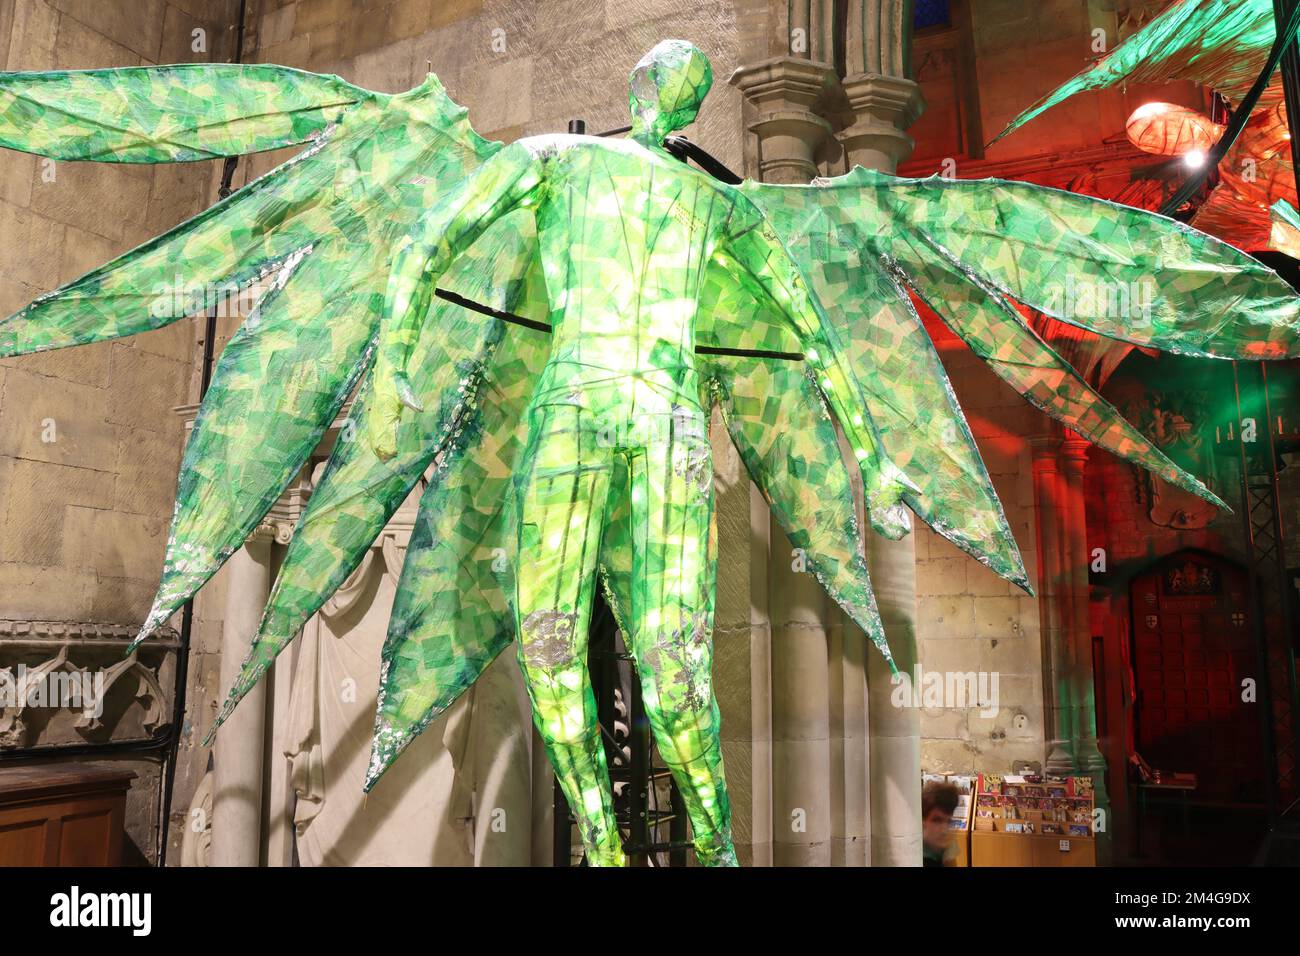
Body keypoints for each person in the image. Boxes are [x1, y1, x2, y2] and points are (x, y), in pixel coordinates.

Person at [922, 781, 960, 867]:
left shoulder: (947, 840)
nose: (944, 829)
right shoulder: (912, 848)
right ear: (923, 820)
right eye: (937, 820)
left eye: (948, 821)